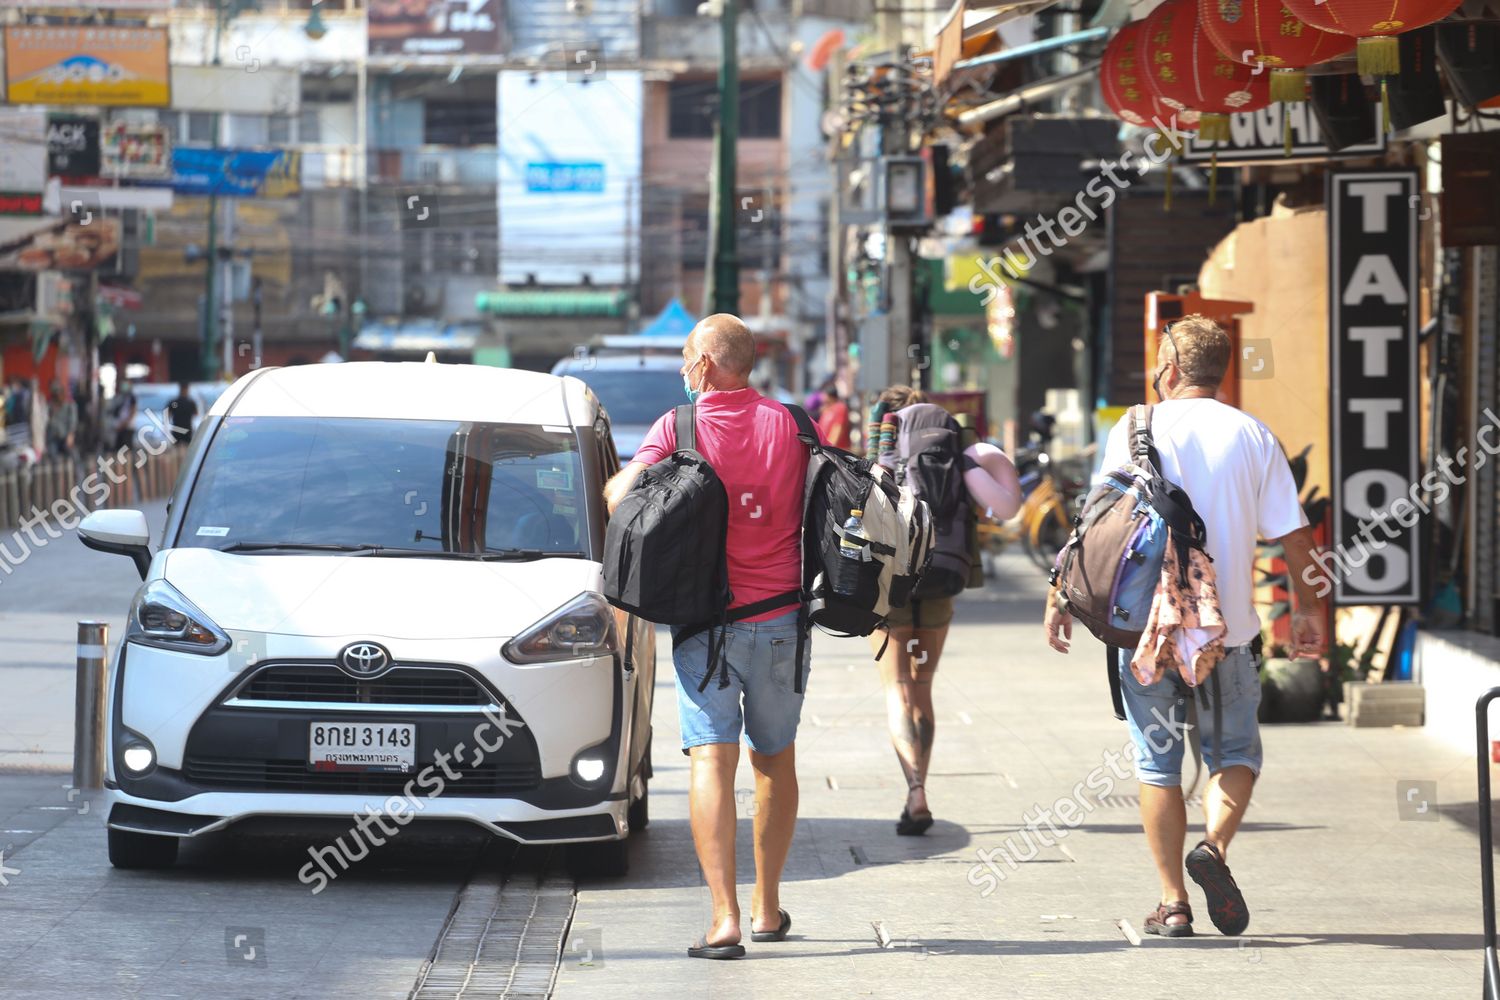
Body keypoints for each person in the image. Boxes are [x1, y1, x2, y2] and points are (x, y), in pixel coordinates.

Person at [1043, 314, 1327, 939]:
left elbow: (1097, 523)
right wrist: (1309, 610)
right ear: (1219, 371)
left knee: (1156, 765)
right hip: (1231, 633)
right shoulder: (1254, 435)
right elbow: (1295, 537)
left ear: (1169, 370)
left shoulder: (1135, 427)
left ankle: (1173, 902)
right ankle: (1215, 848)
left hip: (1151, 631)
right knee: (1235, 754)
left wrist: (1062, 593)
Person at [604, 314, 828, 960]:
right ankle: (768, 906)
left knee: (712, 762)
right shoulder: (794, 425)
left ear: (704, 364)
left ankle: (724, 918)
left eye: (684, 359)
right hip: (783, 622)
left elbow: (621, 495)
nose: (682, 370)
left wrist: (637, 480)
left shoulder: (680, 427)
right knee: (775, 761)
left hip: (707, 627)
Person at [45, 380, 77, 458]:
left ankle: (79, 469)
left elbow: (73, 421)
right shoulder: (50, 405)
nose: (56, 396)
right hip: (53, 437)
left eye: (57, 393)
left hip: (65, 436)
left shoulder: (69, 404)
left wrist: (70, 435)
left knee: (73, 455)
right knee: (52, 456)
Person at [816, 384, 852, 450]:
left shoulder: (840, 407)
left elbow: (837, 429)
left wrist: (830, 448)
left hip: (837, 452)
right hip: (826, 450)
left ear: (829, 395)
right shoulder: (826, 409)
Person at [165, 381, 198, 446]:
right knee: (187, 448)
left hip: (176, 428)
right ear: (187, 389)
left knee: (176, 448)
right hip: (187, 428)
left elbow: (168, 414)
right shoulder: (190, 403)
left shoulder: (174, 402)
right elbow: (196, 414)